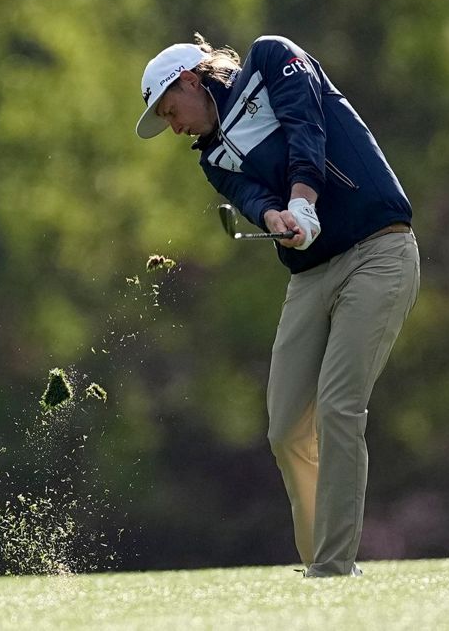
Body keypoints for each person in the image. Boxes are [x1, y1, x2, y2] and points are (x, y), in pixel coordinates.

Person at [135, 33, 420, 577]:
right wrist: (275, 218)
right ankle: (320, 562)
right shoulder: (212, 158)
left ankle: (333, 570)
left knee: (338, 408)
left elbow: (304, 124)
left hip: (379, 250)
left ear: (191, 81)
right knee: (286, 427)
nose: (174, 126)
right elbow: (249, 197)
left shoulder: (270, 58)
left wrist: (303, 200)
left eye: (172, 110)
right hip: (311, 276)